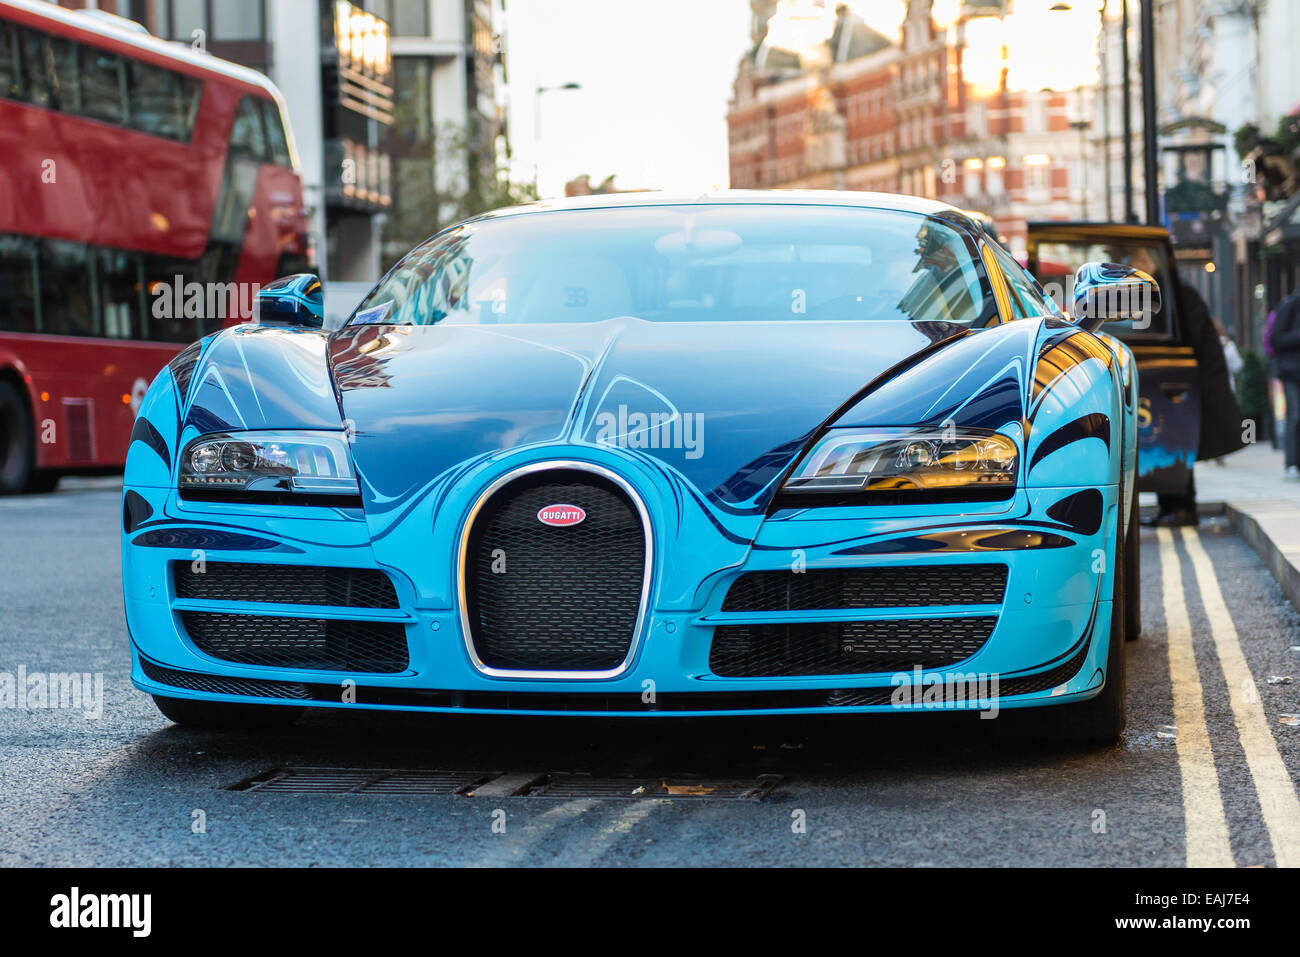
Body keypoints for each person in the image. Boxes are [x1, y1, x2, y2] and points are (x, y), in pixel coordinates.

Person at [1143, 274, 1247, 526]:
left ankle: (1182, 509)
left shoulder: (1180, 294)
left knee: (1175, 447)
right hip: (1180, 382)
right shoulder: (1171, 293)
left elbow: (1186, 339)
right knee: (1169, 444)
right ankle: (1171, 507)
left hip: (1189, 385)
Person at [1269, 289, 1300, 481]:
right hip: (1291, 372)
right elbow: (1275, 338)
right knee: (1294, 415)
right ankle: (1291, 463)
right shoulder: (1290, 305)